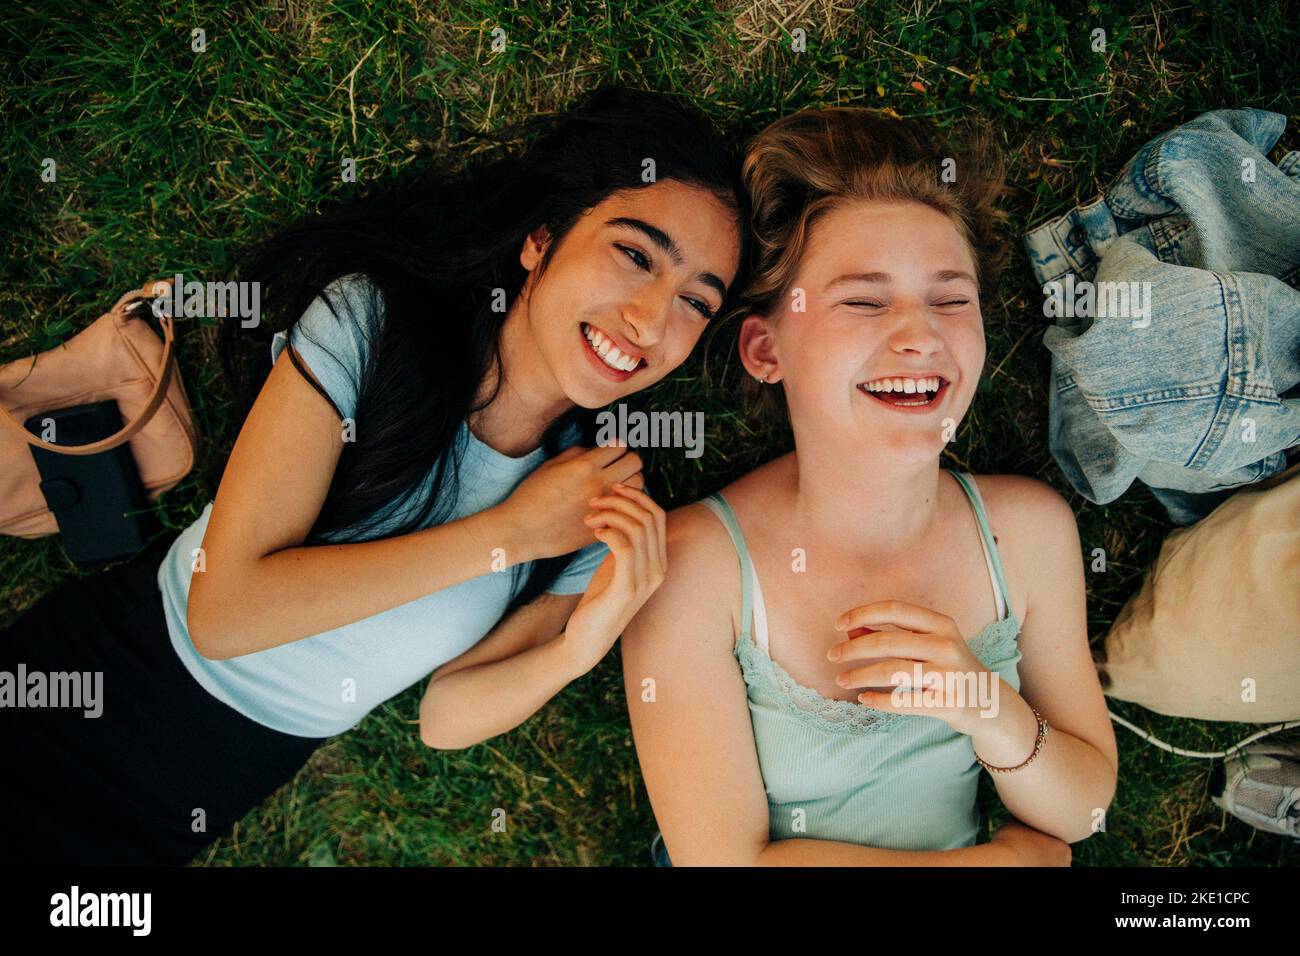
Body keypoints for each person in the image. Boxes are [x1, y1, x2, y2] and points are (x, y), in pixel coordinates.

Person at [0, 84, 747, 865]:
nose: (653, 321)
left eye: (697, 302)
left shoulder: (602, 503)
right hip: (90, 687)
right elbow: (224, 613)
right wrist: (506, 534)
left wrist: (583, 641)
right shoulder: (373, 323)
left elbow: (446, 717)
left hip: (185, 804)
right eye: (635, 255)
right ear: (541, 237)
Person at [621, 107, 1118, 866]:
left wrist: (990, 709)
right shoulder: (694, 568)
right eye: (863, 299)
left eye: (951, 298)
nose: (920, 333)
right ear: (765, 348)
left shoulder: (1026, 531)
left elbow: (1083, 807)